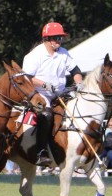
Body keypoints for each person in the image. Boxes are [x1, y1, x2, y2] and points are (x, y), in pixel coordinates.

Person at [22, 22, 84, 165]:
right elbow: (27, 78)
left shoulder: (64, 53)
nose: (59, 41)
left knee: (76, 109)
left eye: (60, 38)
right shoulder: (35, 55)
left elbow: (76, 71)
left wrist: (79, 83)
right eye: (56, 38)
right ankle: (40, 151)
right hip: (40, 93)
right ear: (47, 39)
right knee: (47, 115)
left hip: (59, 92)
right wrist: (44, 84)